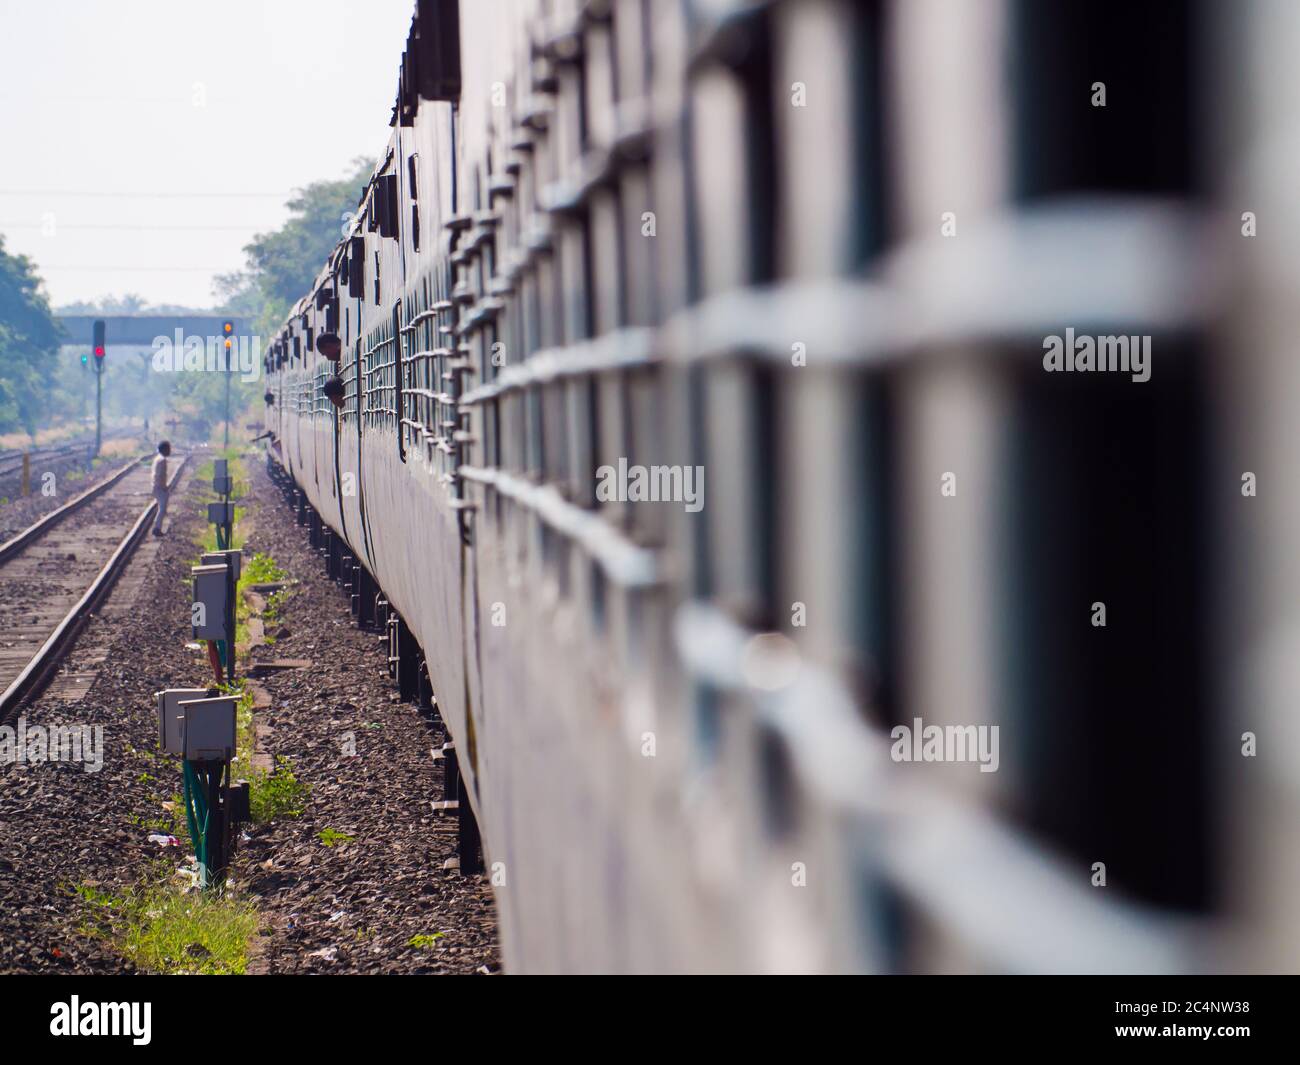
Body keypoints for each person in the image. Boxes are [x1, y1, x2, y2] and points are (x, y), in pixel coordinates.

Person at [151, 441, 171, 537]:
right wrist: (164, 487)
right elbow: (160, 475)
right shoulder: (162, 460)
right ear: (164, 449)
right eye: (168, 449)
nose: (170, 451)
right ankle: (157, 528)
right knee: (162, 509)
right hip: (160, 487)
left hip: (156, 486)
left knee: (162, 508)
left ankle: (158, 527)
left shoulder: (157, 459)